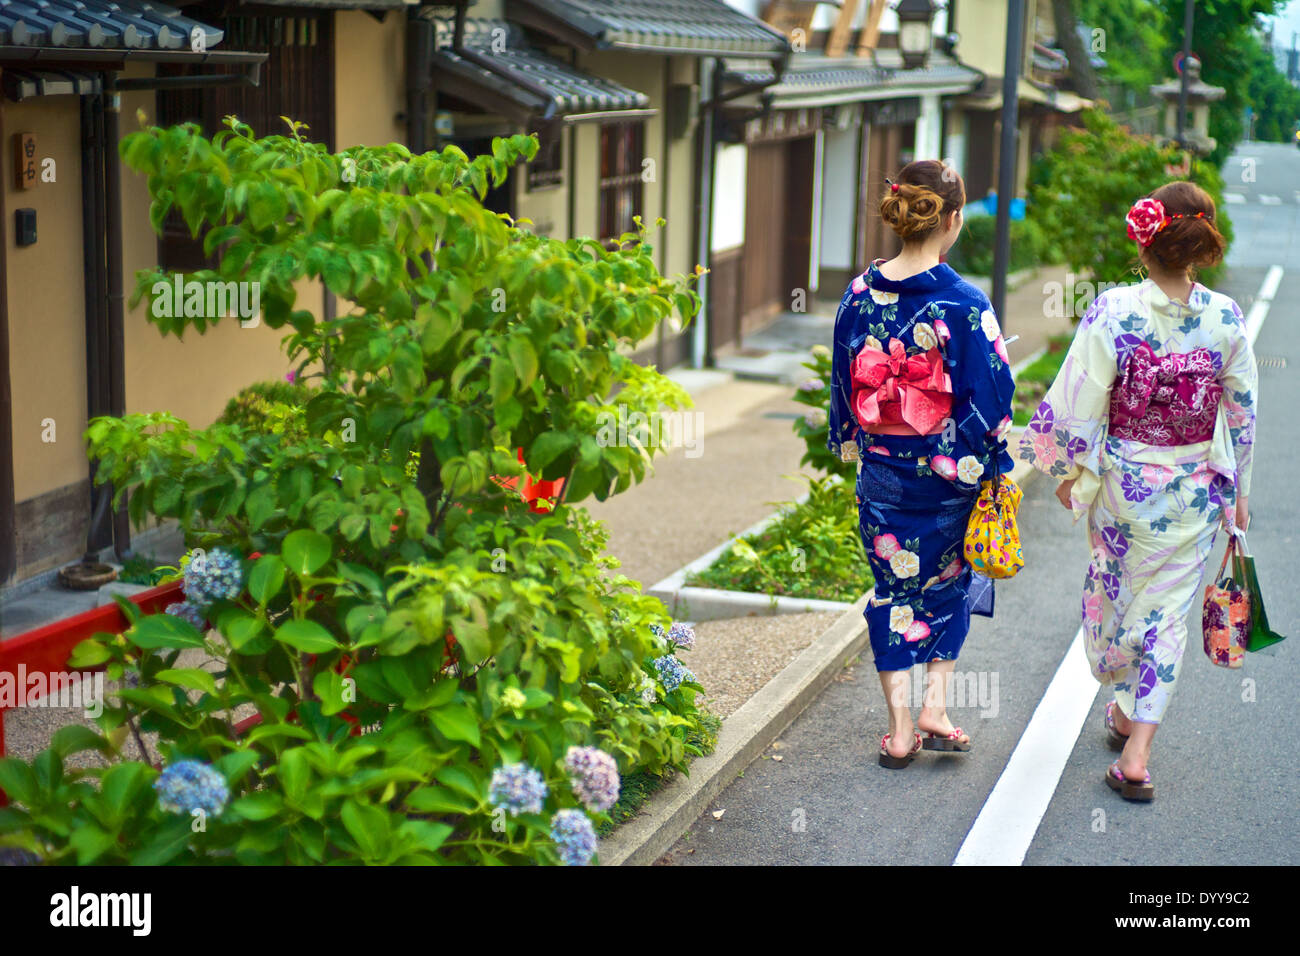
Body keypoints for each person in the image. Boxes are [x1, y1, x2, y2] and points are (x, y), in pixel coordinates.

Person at [1019, 180, 1257, 801]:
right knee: (1167, 617)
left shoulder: (1117, 309)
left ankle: (1134, 739)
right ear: (1200, 244)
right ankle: (1134, 733)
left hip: (1126, 489)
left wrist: (1070, 470)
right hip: (1197, 491)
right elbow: (1243, 414)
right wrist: (1241, 491)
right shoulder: (1226, 316)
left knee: (1114, 601)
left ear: (1146, 242)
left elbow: (1081, 398)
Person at [827, 160, 1015, 769]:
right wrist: (993, 459)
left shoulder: (858, 294)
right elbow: (990, 396)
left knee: (893, 591)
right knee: (953, 582)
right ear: (953, 219)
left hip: (883, 474)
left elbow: (842, 382)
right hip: (950, 478)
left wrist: (852, 437)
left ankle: (902, 730)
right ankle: (935, 704)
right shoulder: (964, 303)